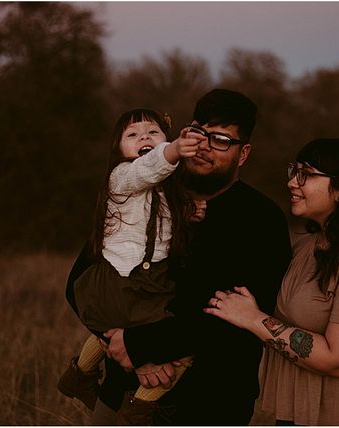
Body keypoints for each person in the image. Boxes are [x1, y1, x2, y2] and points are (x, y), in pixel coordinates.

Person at [65, 89, 292, 425]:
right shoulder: (146, 193)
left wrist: (141, 346)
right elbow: (83, 282)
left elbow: (239, 322)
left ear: (243, 154)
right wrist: (121, 345)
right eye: (200, 133)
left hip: (209, 404)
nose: (205, 147)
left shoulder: (261, 219)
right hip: (119, 394)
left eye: (221, 140)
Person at [206, 138, 339, 425]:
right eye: (294, 171)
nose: (292, 183)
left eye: (306, 175)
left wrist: (254, 320)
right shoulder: (305, 248)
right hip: (300, 410)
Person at [58, 108, 201, 423]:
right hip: (127, 281)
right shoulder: (122, 177)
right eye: (132, 135)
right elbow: (147, 170)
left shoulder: (167, 191)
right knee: (181, 352)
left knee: (111, 330)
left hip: (137, 281)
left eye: (152, 132)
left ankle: (80, 372)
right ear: (119, 149)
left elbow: (164, 214)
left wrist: (190, 212)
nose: (144, 138)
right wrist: (174, 149)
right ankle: (139, 406)